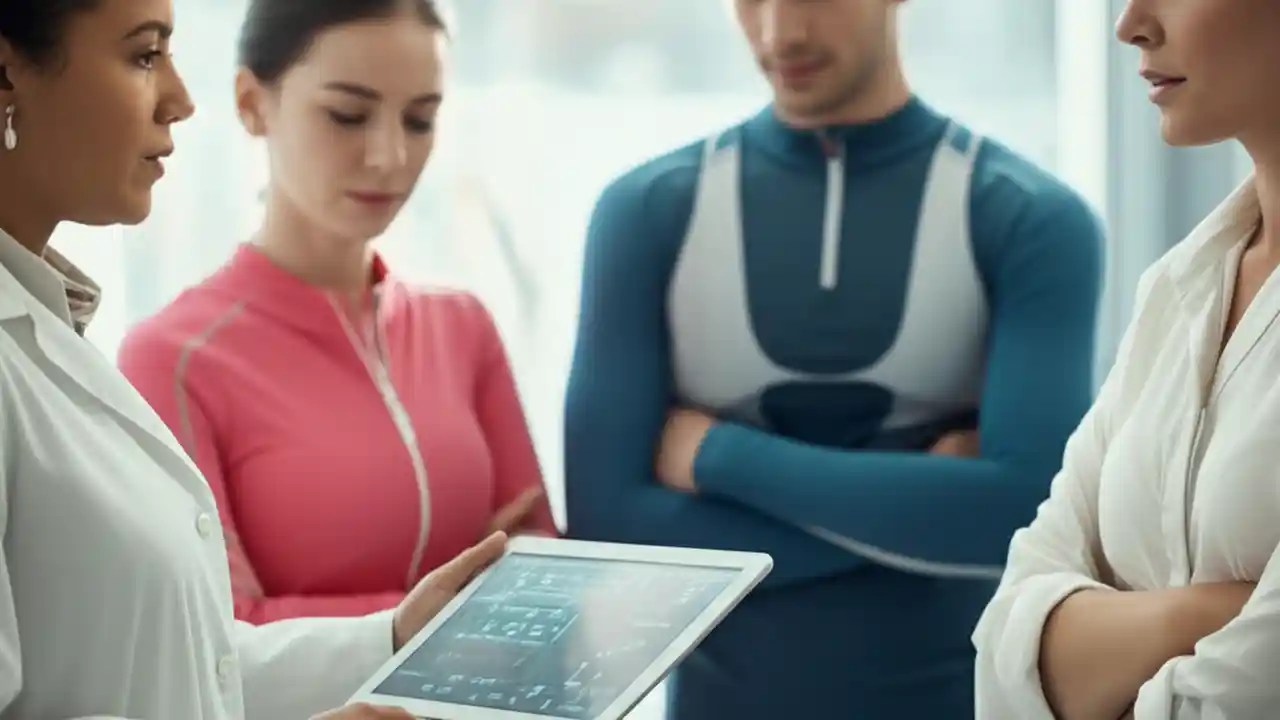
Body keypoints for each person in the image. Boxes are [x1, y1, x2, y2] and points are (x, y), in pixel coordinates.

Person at [563, 0, 1105, 717]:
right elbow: (612, 530)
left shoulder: (1030, 219)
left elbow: (1022, 515)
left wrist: (717, 458)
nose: (780, 31)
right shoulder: (647, 213)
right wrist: (921, 503)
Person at [0, 0, 506, 717]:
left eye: (420, 117)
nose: (180, 99)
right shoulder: (171, 352)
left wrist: (392, 636)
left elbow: (189, 662)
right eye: (145, 55)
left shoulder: (47, 326)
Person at [116, 0, 557, 625]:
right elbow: (218, 635)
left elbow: (545, 578)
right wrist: (458, 608)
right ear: (250, 103)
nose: (390, 157)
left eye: (420, 119)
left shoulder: (463, 326)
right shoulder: (173, 358)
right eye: (348, 116)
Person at [973, 0, 1280, 718]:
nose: (1130, 23)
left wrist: (1099, 651)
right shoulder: (1177, 289)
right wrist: (1193, 619)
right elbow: (1003, 658)